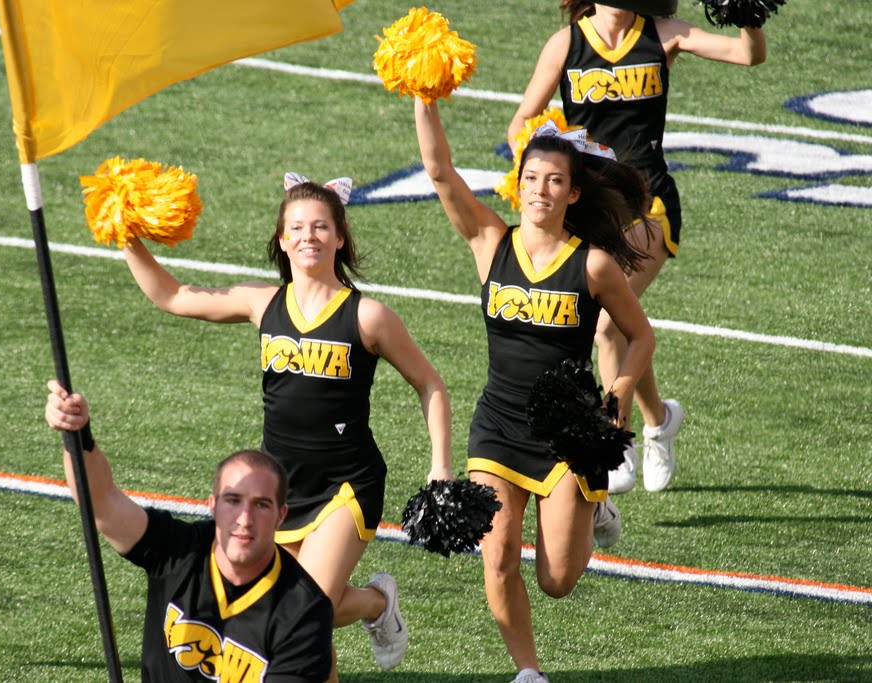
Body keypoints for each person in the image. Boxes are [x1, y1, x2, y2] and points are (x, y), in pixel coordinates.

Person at [121, 174, 453, 680]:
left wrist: (439, 466)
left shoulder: (368, 316)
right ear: (282, 239)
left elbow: (430, 384)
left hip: (347, 484)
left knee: (303, 607)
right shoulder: (262, 304)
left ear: (340, 236)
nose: (308, 236)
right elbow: (174, 296)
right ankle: (374, 603)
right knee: (293, 622)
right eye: (296, 227)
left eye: (320, 227)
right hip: (281, 488)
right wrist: (127, 236)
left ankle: (369, 605)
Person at [415, 98, 656, 682]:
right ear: (516, 184)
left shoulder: (593, 264)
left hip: (564, 432)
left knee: (556, 582)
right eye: (531, 179)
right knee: (495, 556)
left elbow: (641, 335)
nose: (540, 190)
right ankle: (528, 673)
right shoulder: (490, 243)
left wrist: (623, 383)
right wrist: (424, 98)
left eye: (554, 181)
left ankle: (596, 504)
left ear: (574, 193)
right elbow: (441, 172)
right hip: (496, 424)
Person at [508, 1, 767, 493]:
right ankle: (660, 418)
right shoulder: (567, 44)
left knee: (607, 327)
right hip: (589, 209)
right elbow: (523, 120)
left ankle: (616, 436)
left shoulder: (663, 34)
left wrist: (749, 13)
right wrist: (542, 165)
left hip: (649, 203)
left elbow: (747, 55)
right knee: (625, 327)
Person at [44, 380, 334, 682]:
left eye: (261, 505)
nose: (244, 519)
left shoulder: (305, 612)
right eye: (233, 501)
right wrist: (77, 436)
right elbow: (102, 502)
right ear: (213, 505)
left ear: (281, 515)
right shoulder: (180, 550)